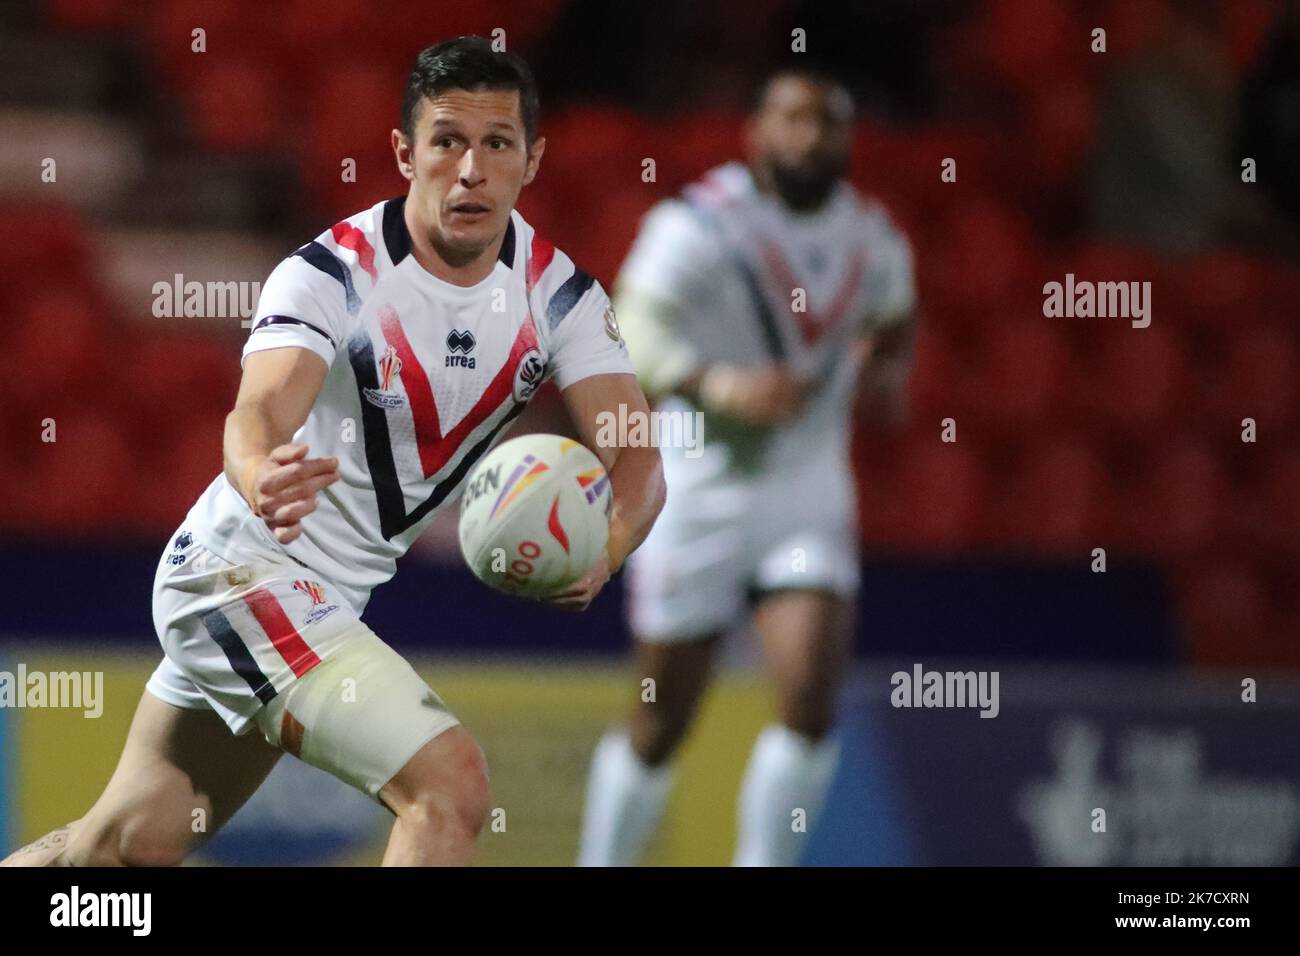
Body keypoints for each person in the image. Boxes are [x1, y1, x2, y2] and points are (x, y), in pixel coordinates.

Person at [2, 36, 664, 868]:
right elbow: (259, 410)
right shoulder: (332, 272)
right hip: (238, 574)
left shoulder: (561, 297)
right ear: (404, 152)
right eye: (447, 141)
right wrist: (259, 471)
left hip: (323, 600)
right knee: (451, 787)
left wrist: (605, 549)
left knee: (118, 851)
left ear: (532, 158)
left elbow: (637, 459)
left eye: (497, 144)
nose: (470, 170)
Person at [577, 66, 916, 867]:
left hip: (807, 488)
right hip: (695, 490)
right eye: (793, 120)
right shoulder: (699, 226)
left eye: (828, 122)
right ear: (756, 134)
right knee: (662, 723)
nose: (810, 137)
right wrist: (724, 385)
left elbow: (897, 318)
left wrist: (891, 371)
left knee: (808, 698)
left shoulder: (871, 237)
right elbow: (631, 332)